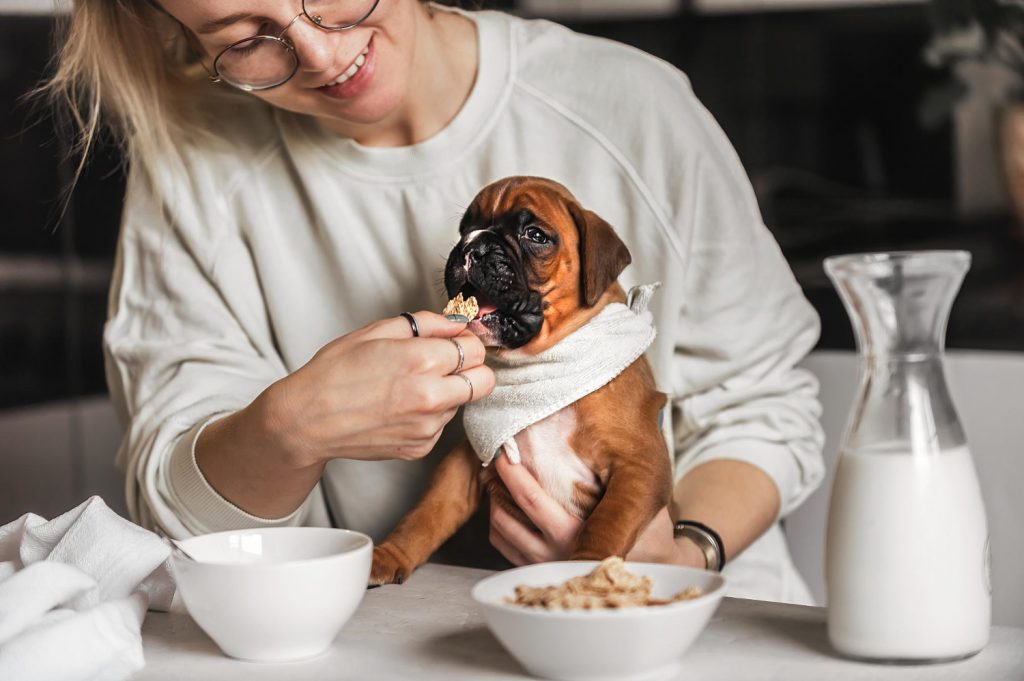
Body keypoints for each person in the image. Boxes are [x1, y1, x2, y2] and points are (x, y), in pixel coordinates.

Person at [45, 0, 825, 603]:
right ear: (188, 40)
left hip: (706, 626)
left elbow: (768, 405)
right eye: (245, 37)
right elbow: (173, 510)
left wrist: (678, 555)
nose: (322, 53)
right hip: (401, 633)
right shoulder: (194, 162)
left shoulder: (633, 106)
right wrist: (288, 429)